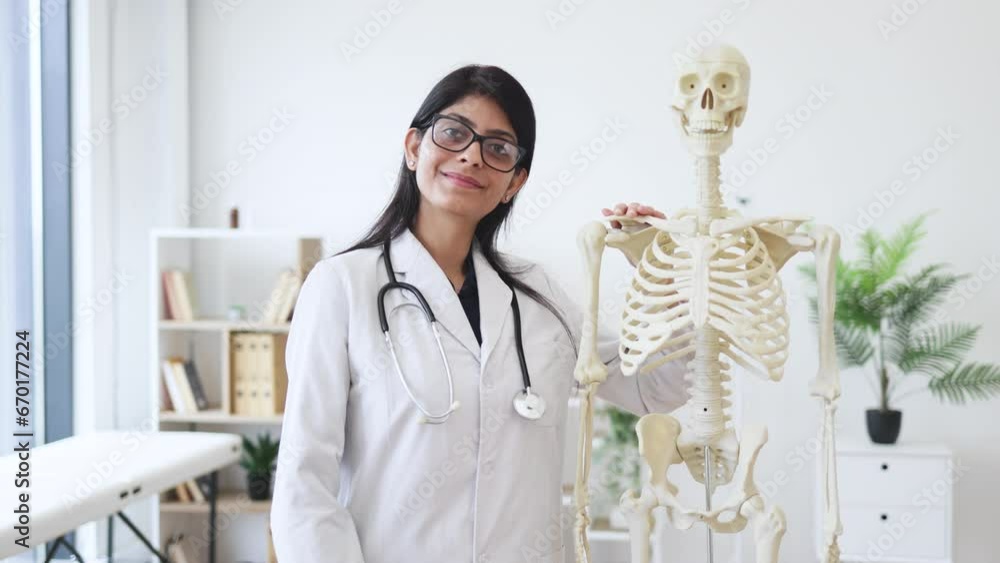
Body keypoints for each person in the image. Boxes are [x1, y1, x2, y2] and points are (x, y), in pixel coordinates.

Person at [270, 64, 688, 563]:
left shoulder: (539, 296)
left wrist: (660, 273)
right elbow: (304, 483)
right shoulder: (342, 287)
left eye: (498, 148)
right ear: (413, 148)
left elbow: (654, 389)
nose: (471, 155)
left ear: (515, 181)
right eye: (453, 133)